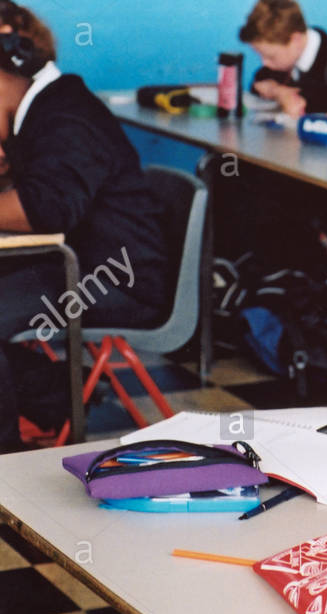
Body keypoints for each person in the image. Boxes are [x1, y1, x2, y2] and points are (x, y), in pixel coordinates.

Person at [0, 23, 169, 450]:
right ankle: (56, 393)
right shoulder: (39, 110)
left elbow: (45, 209)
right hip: (72, 263)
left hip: (115, 279)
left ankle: (7, 466)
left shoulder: (66, 115)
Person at [239, 0, 327, 117]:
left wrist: (288, 97)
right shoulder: (287, 56)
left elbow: (323, 101)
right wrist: (277, 92)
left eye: (271, 57)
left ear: (296, 40)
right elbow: (260, 80)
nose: (265, 63)